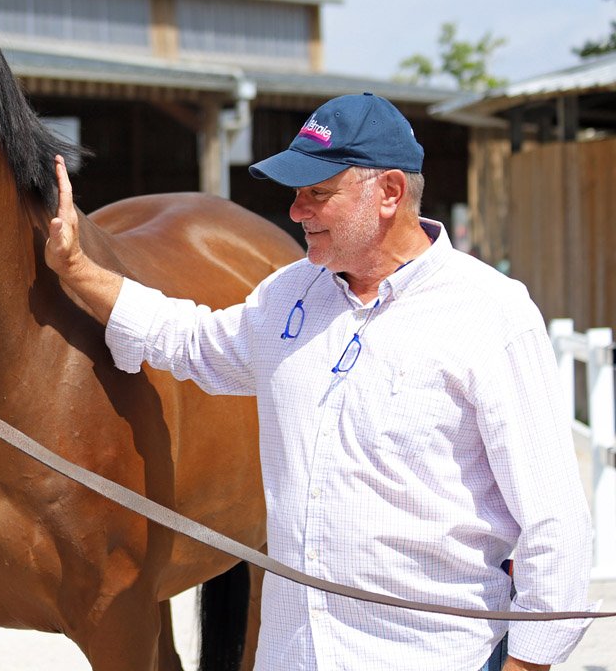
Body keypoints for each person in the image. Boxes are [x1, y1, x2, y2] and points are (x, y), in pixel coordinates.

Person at [44, 93, 594, 671]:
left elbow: (553, 518)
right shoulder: (288, 295)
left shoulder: (492, 314)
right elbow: (186, 339)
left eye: (318, 194)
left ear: (389, 194)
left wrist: (528, 663)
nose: (297, 212)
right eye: (297, 193)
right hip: (294, 655)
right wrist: (77, 269)